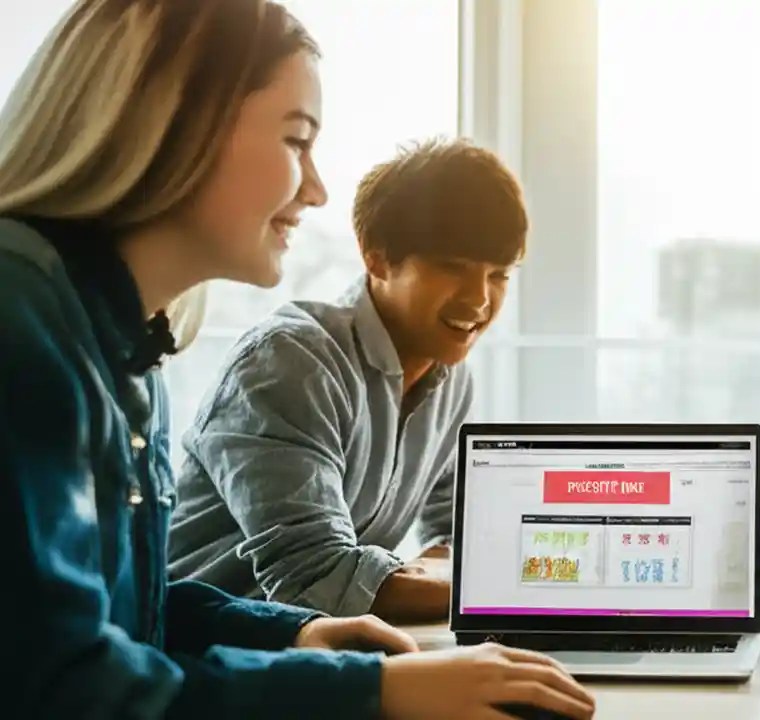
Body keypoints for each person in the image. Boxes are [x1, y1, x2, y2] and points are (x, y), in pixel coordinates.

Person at [0, 1, 593, 718]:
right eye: (296, 140)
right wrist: (372, 690)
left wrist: (298, 632)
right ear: (178, 124)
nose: (315, 189)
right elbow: (63, 687)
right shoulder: (21, 322)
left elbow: (134, 612)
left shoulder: (131, 346)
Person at [168, 138, 523, 623]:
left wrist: (484, 579)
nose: (480, 301)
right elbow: (317, 579)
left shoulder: (452, 380)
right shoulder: (290, 363)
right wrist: (514, 590)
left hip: (319, 650)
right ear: (376, 258)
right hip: (204, 654)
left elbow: (455, 539)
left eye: (499, 275)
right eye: (452, 269)